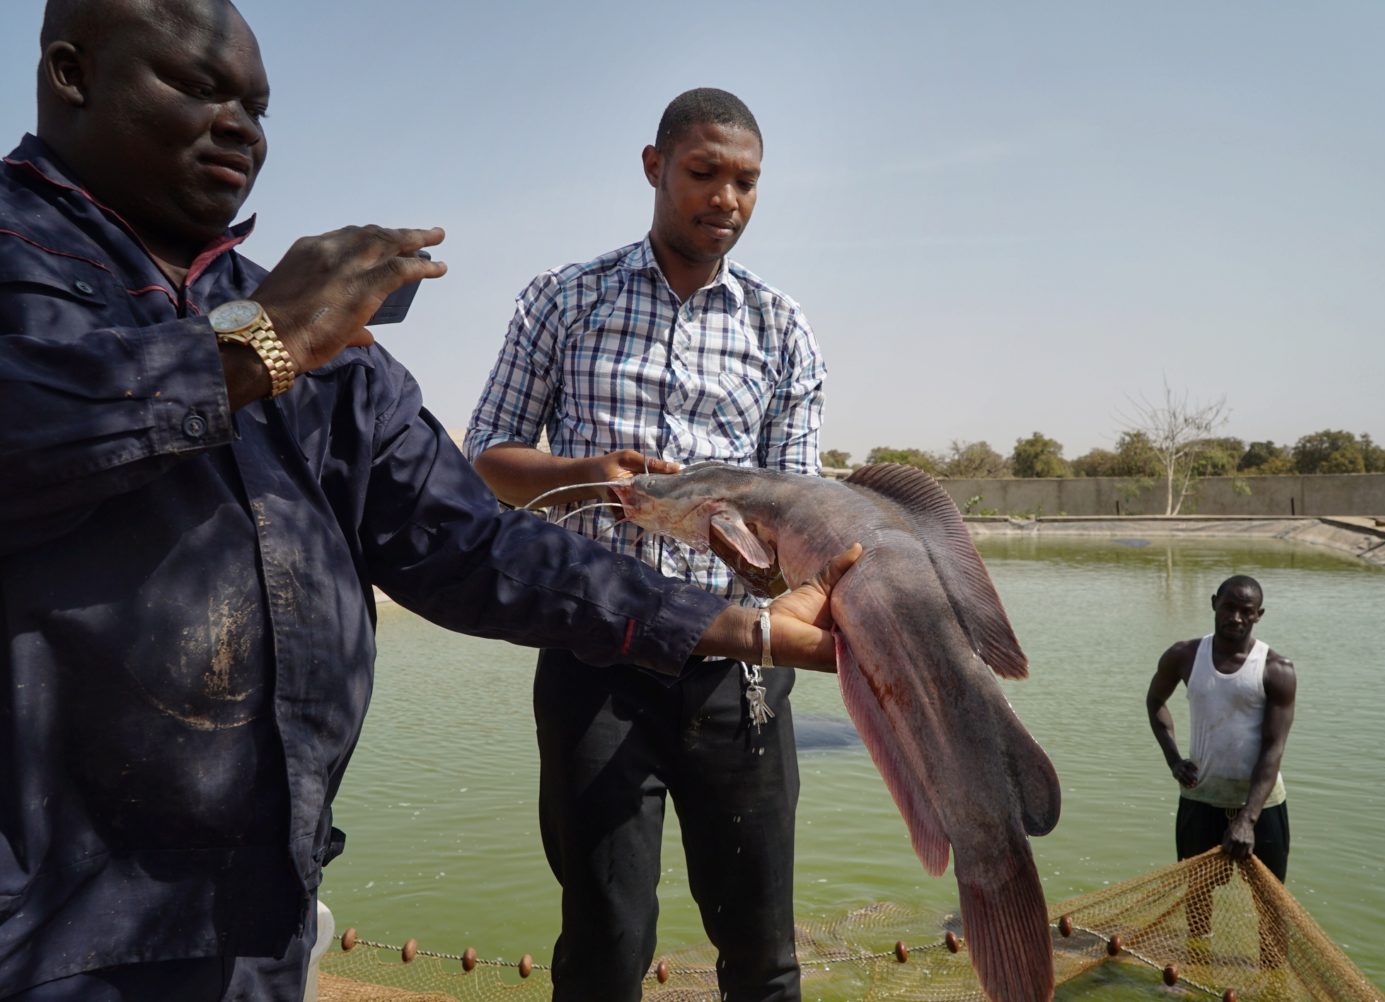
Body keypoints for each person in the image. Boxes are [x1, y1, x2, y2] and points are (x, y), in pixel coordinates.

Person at [0, 5, 853, 1000]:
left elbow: (469, 543)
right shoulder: (271, 315)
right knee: (606, 931)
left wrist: (742, 625)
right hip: (38, 931)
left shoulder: (305, 328)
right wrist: (254, 346)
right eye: (196, 88)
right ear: (71, 75)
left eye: (258, 107)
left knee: (761, 949)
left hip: (244, 922)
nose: (239, 127)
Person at [465, 88, 825, 1001]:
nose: (726, 200)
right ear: (655, 166)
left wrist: (754, 558)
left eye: (746, 181)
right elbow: (486, 461)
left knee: (763, 954)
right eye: (704, 173)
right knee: (604, 944)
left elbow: (799, 519)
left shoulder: (781, 330)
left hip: (737, 670)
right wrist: (587, 473)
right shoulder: (564, 299)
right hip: (597, 657)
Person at [1146, 575, 1296, 962]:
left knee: (1269, 903)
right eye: (1229, 606)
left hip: (1262, 806)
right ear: (1214, 603)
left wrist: (1248, 818)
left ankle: (1269, 979)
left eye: (1247, 611)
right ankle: (1198, 973)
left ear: (1259, 615)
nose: (1236, 617)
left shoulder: (1277, 669)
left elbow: (1273, 746)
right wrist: (1173, 759)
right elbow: (1155, 701)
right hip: (1202, 798)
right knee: (1197, 898)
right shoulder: (1183, 656)